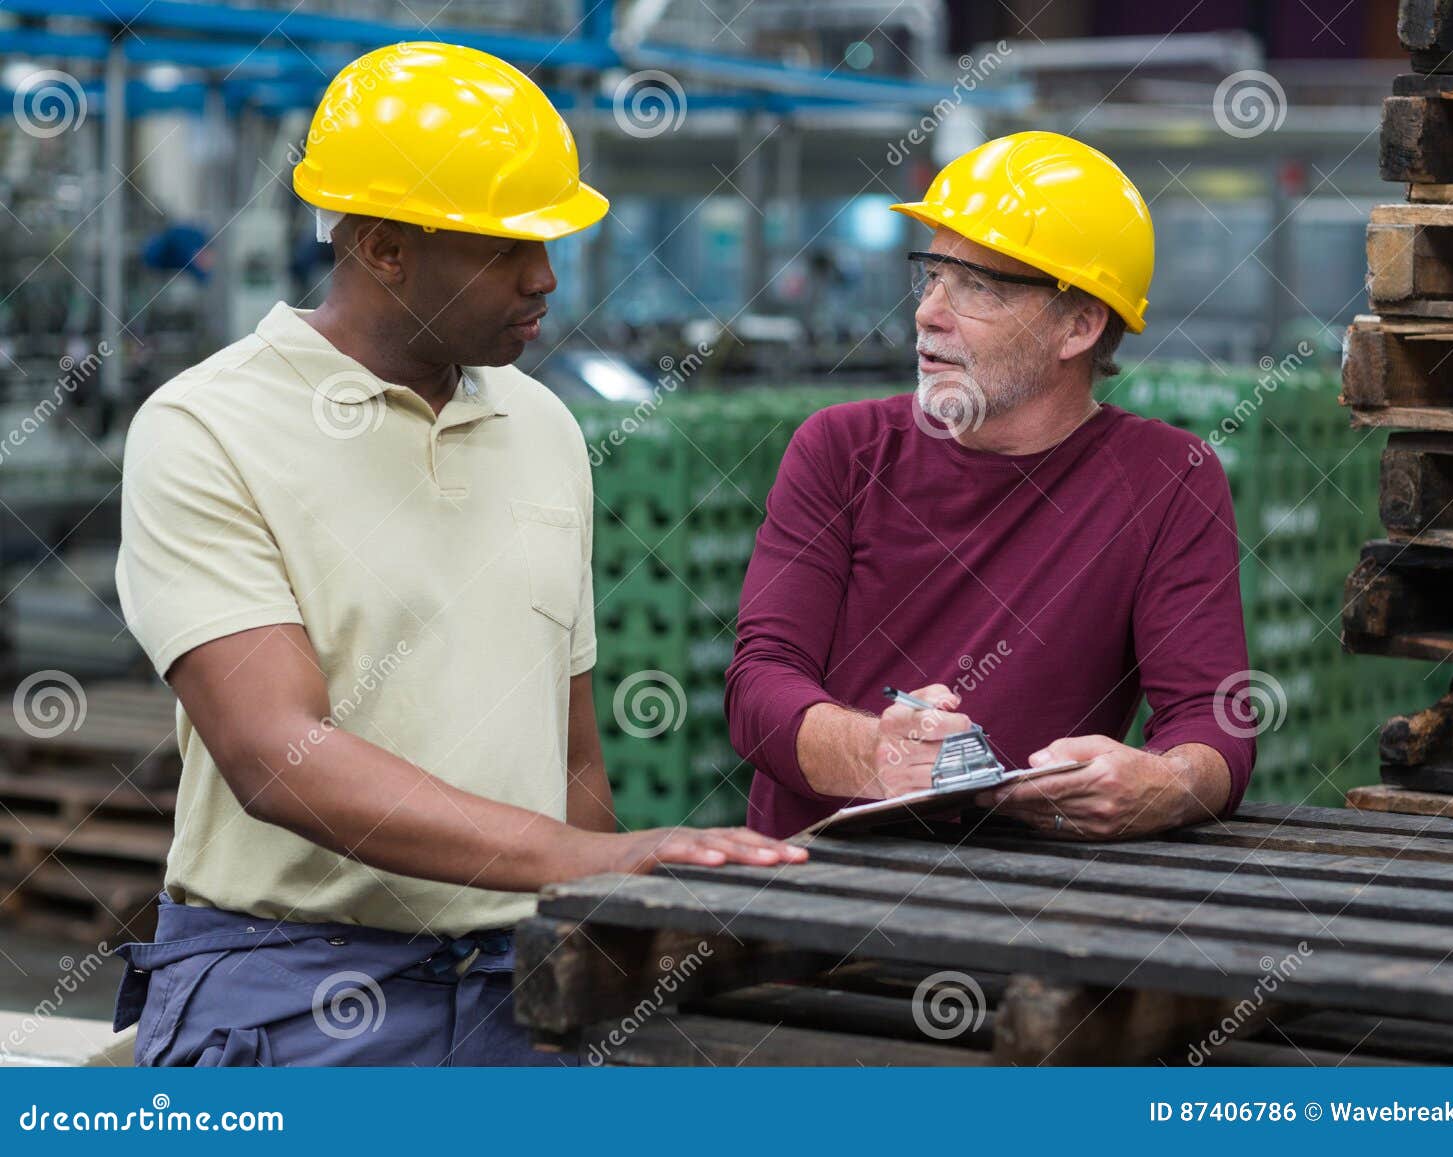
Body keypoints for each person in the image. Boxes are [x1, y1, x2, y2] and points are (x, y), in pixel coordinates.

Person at [110, 42, 802, 1068]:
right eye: (503, 249)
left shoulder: (544, 426)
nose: (545, 276)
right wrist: (587, 857)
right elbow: (275, 755)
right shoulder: (208, 428)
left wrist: (593, 912)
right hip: (293, 993)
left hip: (516, 984)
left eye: (549, 240)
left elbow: (569, 749)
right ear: (385, 248)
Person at [725, 132, 1255, 839]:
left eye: (976, 285)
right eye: (932, 275)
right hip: (810, 880)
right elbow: (759, 687)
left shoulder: (1167, 480)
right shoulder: (841, 450)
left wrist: (1164, 781)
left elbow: (1211, 721)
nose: (928, 313)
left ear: (1080, 324)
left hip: (1024, 901)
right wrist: (877, 754)